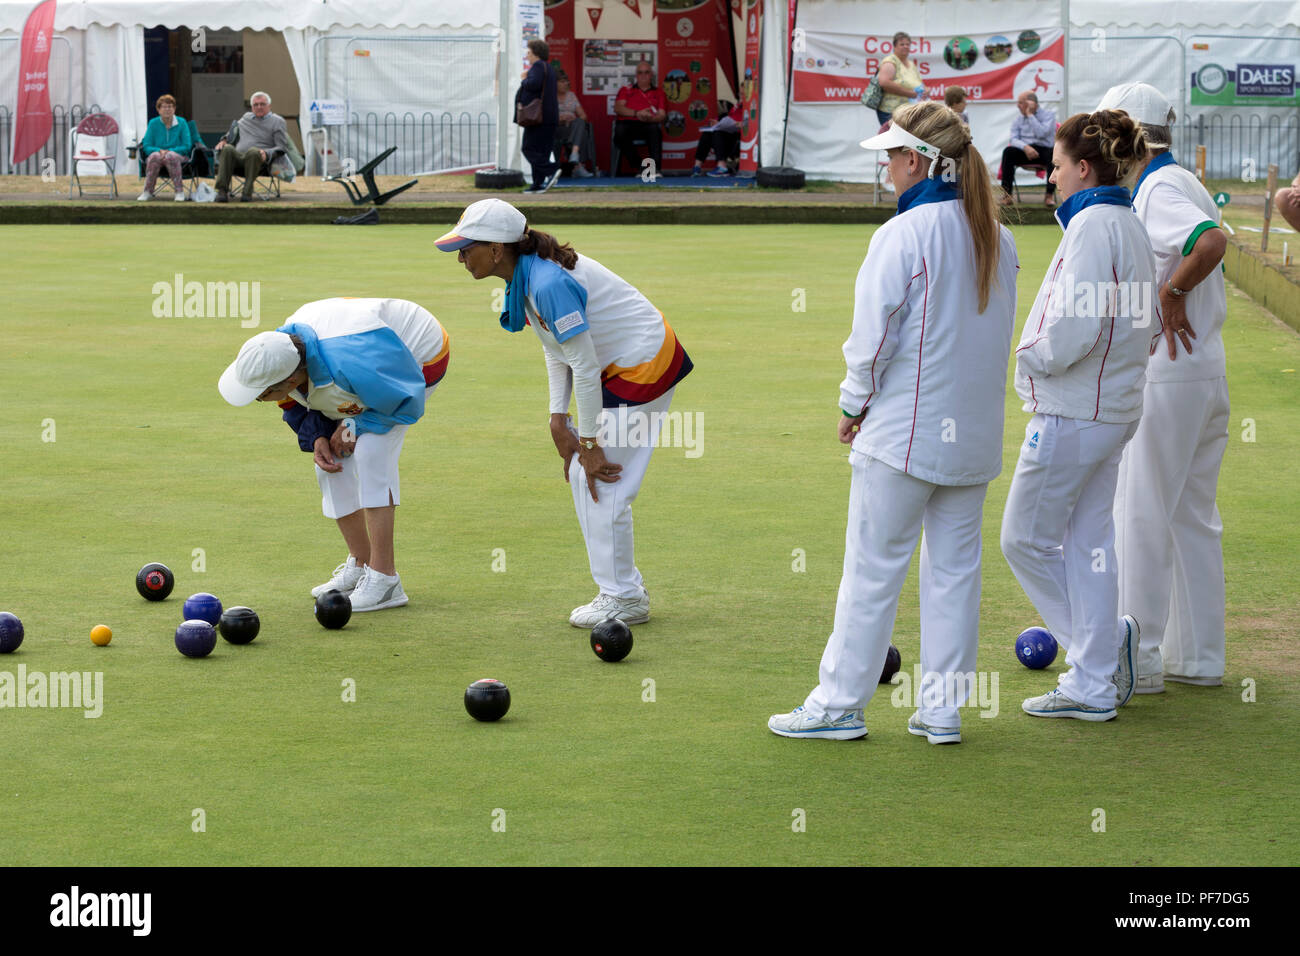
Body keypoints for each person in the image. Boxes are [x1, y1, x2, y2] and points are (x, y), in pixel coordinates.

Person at [768, 101, 1019, 743]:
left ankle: (839, 704)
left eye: (890, 157)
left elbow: (872, 339)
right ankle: (941, 710)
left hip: (905, 433)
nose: (886, 169)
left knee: (872, 571)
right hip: (974, 438)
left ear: (916, 159)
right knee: (955, 573)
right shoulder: (998, 233)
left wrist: (853, 405)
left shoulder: (902, 235)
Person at [436, 199, 693, 627]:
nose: (460, 257)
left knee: (599, 476)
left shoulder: (548, 282)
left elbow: (586, 366)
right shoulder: (525, 274)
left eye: (467, 248)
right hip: (616, 362)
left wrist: (589, 442)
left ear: (497, 250)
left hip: (643, 363)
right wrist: (558, 417)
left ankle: (624, 596)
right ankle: (622, 588)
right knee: (583, 471)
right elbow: (556, 347)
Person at [1000, 109, 1159, 722]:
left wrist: (1026, 357)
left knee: (1024, 539)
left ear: (1083, 167)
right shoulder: (1128, 221)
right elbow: (1136, 325)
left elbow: (1070, 330)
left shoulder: (1094, 224)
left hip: (1075, 410)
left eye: (1059, 167)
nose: (1055, 179)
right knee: (1089, 542)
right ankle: (1093, 684)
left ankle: (1098, 655)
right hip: (1112, 407)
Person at [1098, 83, 1231, 693]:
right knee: (1189, 516)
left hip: (1172, 368)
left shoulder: (1157, 188)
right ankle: (1198, 658)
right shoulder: (1181, 182)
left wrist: (1171, 291)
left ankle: (1141, 657)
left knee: (1142, 510)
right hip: (1204, 368)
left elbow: (1210, 242)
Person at [218, 298, 451, 611]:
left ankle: (385, 580)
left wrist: (353, 424)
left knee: (370, 452)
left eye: (263, 395)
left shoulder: (351, 362)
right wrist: (317, 437)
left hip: (418, 353)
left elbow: (405, 399)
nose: (263, 401)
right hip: (361, 363)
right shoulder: (279, 353)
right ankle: (361, 561)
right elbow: (300, 402)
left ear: (288, 381)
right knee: (331, 461)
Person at [213, 91, 292, 203]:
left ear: (269, 106)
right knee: (228, 149)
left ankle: (247, 192)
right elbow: (233, 132)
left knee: (253, 152)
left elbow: (282, 147)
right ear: (251, 107)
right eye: (256, 105)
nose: (259, 107)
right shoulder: (246, 117)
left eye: (262, 104)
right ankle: (222, 191)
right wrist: (224, 140)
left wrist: (267, 153)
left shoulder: (278, 121)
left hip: (260, 161)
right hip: (238, 160)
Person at [517, 39, 561, 193]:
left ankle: (551, 170)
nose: (527, 55)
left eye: (528, 52)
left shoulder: (536, 67)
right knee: (541, 151)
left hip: (538, 118)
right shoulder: (548, 67)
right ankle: (537, 184)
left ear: (535, 53)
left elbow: (533, 84)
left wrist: (524, 79)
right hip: (550, 117)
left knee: (528, 148)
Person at [1000, 91, 1058, 207]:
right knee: (1008, 152)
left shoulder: (1049, 115)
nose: (1017, 105)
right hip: (1025, 150)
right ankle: (1007, 194)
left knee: (1054, 155)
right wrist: (1025, 147)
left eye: (1021, 103)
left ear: (1032, 104)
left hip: (1044, 150)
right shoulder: (1018, 120)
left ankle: (1049, 195)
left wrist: (1030, 115)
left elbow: (1041, 133)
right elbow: (1014, 139)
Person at [613, 61, 667, 176]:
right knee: (619, 133)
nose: (643, 75)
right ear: (636, 75)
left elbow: (662, 115)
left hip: (648, 123)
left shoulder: (659, 92)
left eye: (646, 72)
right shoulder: (626, 89)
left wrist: (648, 118)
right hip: (628, 123)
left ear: (651, 74)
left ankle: (654, 169)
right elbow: (618, 108)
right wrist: (637, 113)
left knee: (655, 130)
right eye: (640, 72)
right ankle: (640, 167)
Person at [137, 94, 192, 202]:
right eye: (164, 107)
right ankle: (147, 191)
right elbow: (147, 145)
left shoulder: (182, 123)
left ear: (174, 109)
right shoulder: (153, 123)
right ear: (158, 110)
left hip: (178, 156)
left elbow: (187, 146)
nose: (167, 109)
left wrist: (169, 151)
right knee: (154, 156)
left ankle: (179, 192)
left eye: (170, 106)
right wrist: (159, 151)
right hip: (157, 155)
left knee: (170, 156)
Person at [872, 32, 925, 127]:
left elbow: (918, 83)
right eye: (902, 44)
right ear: (895, 46)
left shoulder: (911, 64)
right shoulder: (890, 61)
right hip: (891, 112)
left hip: (907, 112)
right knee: (893, 141)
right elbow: (884, 83)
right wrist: (910, 93)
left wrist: (926, 90)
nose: (905, 46)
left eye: (907, 44)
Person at [553, 71, 594, 178]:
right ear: (555, 83)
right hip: (557, 128)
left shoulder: (571, 96)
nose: (565, 84)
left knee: (580, 122)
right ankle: (578, 166)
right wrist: (560, 119)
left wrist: (572, 118)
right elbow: (546, 117)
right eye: (562, 81)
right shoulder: (550, 97)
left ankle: (574, 153)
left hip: (571, 128)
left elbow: (583, 116)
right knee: (583, 133)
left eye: (566, 81)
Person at [691, 100, 742, 177]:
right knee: (707, 132)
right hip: (729, 130)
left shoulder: (747, 103)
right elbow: (728, 118)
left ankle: (722, 167)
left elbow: (740, 121)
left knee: (717, 131)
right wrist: (717, 122)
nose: (741, 92)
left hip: (738, 134)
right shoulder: (738, 104)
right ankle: (697, 166)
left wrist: (721, 123)